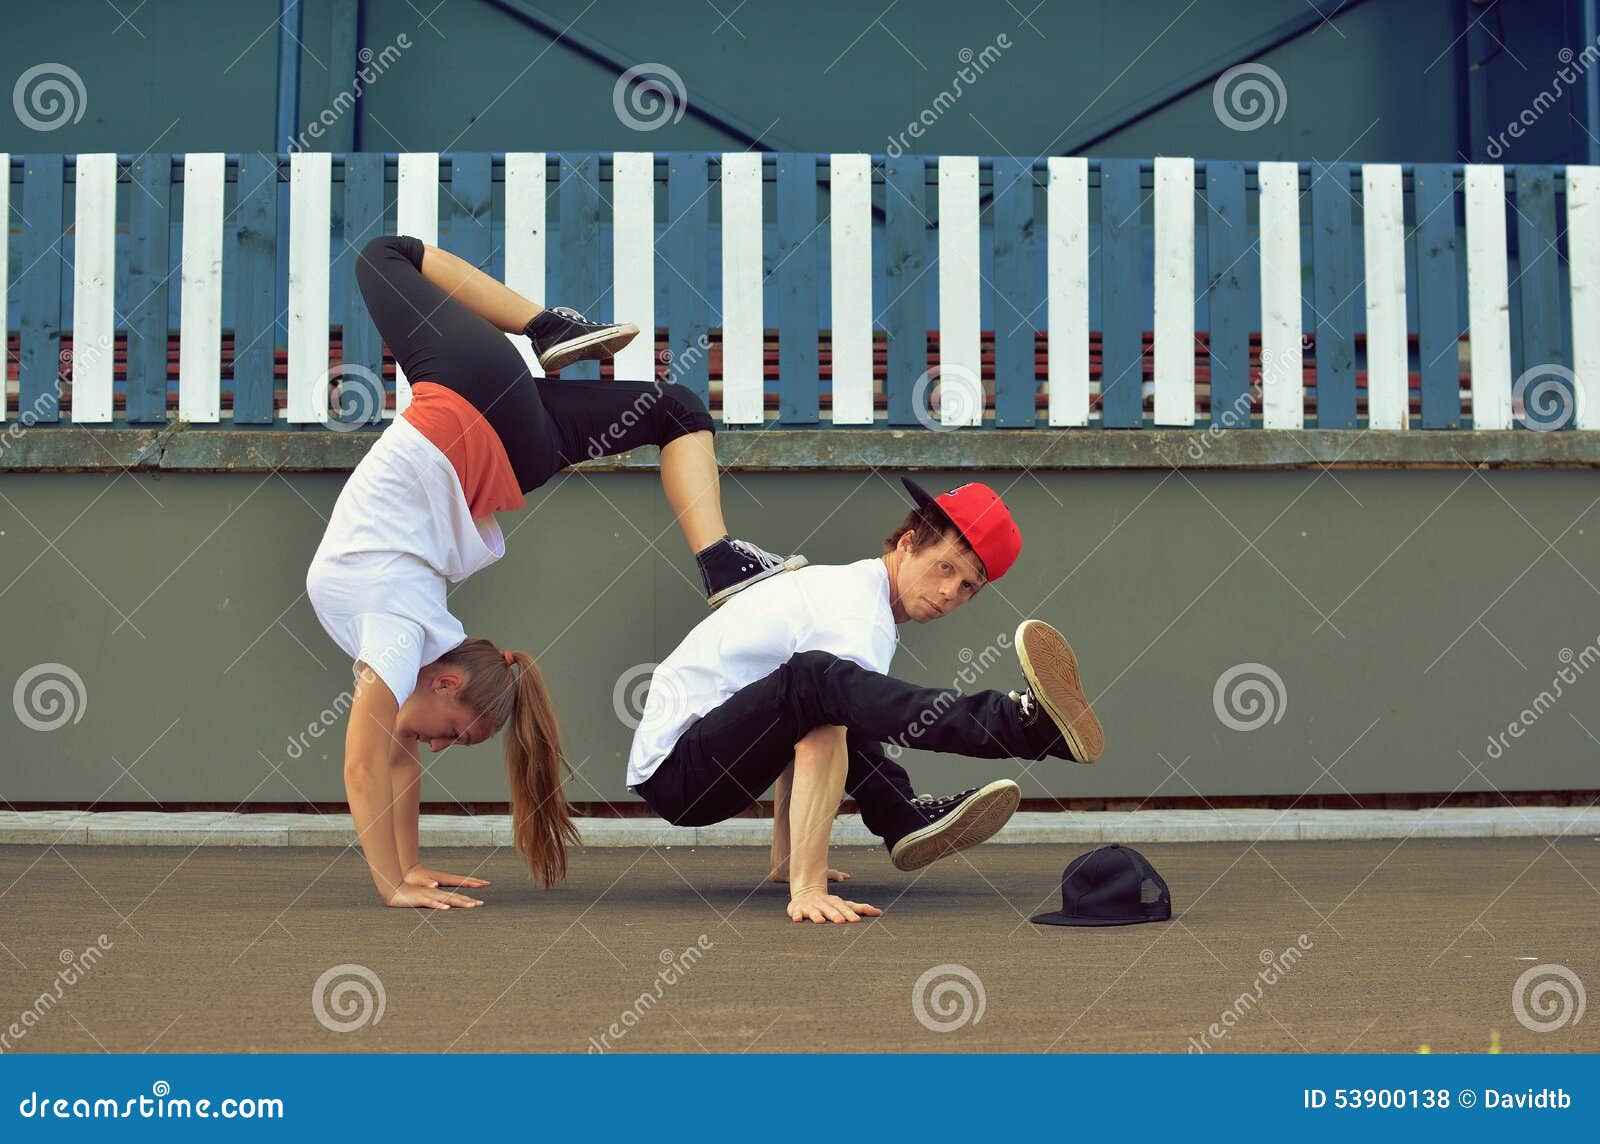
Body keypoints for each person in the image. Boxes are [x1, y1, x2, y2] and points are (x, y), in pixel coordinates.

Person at [306, 235, 804, 910]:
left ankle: (553, 330)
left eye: (453, 735)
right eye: (458, 735)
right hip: (492, 426)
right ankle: (715, 553)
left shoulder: (398, 640)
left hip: (484, 429)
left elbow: (371, 764)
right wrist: (404, 870)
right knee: (674, 407)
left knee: (382, 255)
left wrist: (398, 879)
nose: (441, 746)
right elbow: (389, 759)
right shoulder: (408, 640)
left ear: (447, 681)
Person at [627, 478, 1106, 924]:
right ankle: (1017, 725)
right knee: (828, 690)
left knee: (828, 694)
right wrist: (808, 888)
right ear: (908, 542)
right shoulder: (857, 608)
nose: (949, 593)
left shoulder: (856, 596)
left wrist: (788, 858)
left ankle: (899, 814)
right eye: (945, 567)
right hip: (680, 771)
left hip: (701, 764)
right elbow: (819, 736)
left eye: (967, 587)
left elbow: (792, 728)